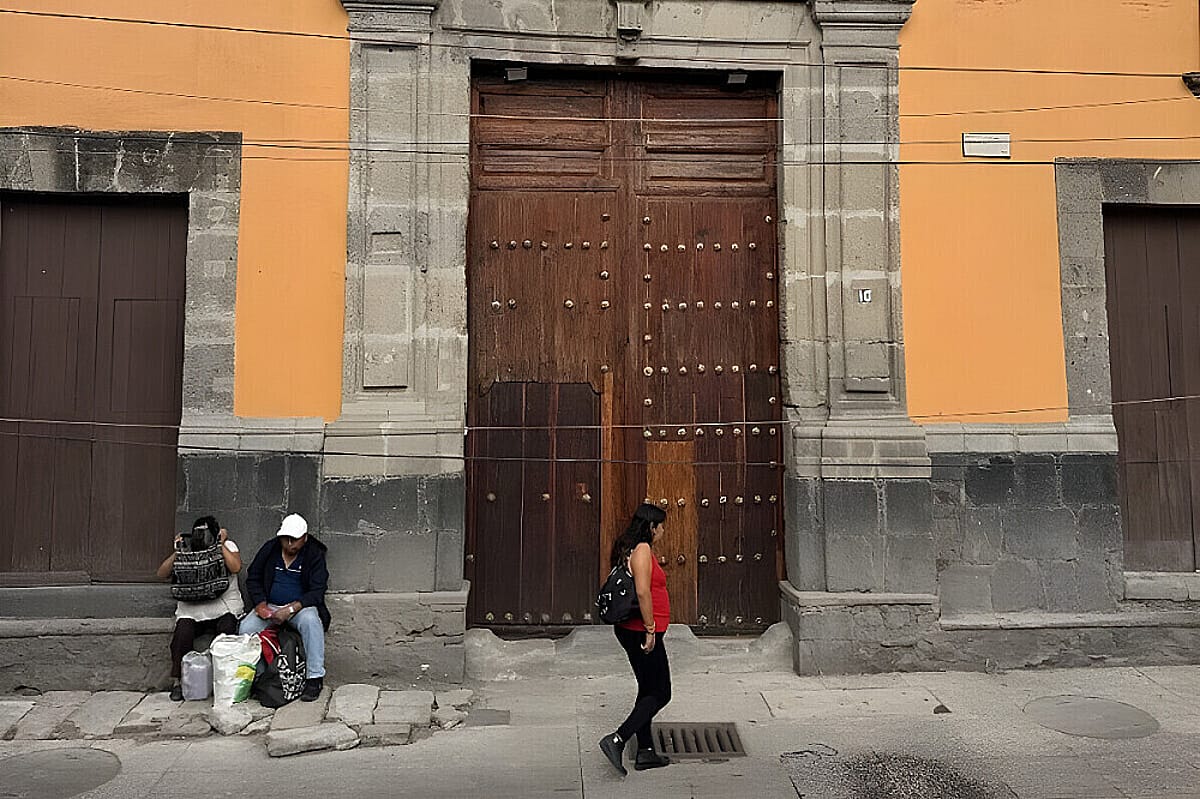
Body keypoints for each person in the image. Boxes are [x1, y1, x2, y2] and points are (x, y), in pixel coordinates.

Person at [599, 503, 673, 775]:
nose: (663, 531)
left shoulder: (628, 547)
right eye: (661, 526)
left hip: (633, 629)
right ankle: (617, 739)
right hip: (640, 631)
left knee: (646, 689)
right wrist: (651, 630)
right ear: (651, 527)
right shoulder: (642, 550)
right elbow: (642, 592)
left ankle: (645, 752)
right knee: (661, 692)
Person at [238, 513, 330, 702]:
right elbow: (253, 577)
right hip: (270, 605)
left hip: (299, 606)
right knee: (246, 628)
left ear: (304, 538)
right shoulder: (270, 549)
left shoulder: (314, 554)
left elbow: (317, 590)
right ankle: (257, 678)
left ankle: (314, 677)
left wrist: (290, 609)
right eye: (285, 539)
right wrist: (260, 604)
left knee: (311, 621)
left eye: (294, 540)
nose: (289, 544)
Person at [156, 516, 243, 702]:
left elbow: (235, 567)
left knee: (227, 627)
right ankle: (178, 681)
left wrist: (220, 544)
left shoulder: (228, 545)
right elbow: (161, 573)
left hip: (222, 608)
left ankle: (224, 679)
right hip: (193, 610)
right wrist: (178, 551)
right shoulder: (188, 548)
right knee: (182, 632)